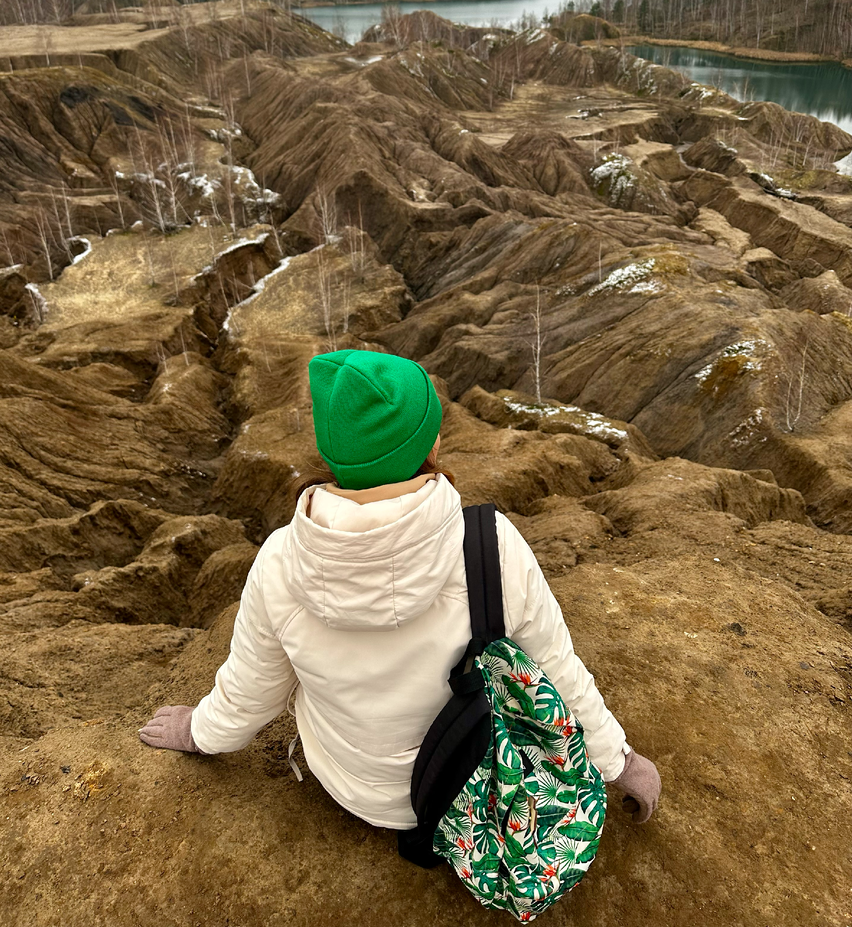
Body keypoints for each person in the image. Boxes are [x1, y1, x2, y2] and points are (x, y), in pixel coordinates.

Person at [139, 348, 661, 829]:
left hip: (349, 786)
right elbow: (555, 667)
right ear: (432, 444)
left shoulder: (279, 559)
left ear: (331, 452)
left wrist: (198, 732)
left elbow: (253, 689)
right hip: (461, 784)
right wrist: (619, 762)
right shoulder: (489, 546)